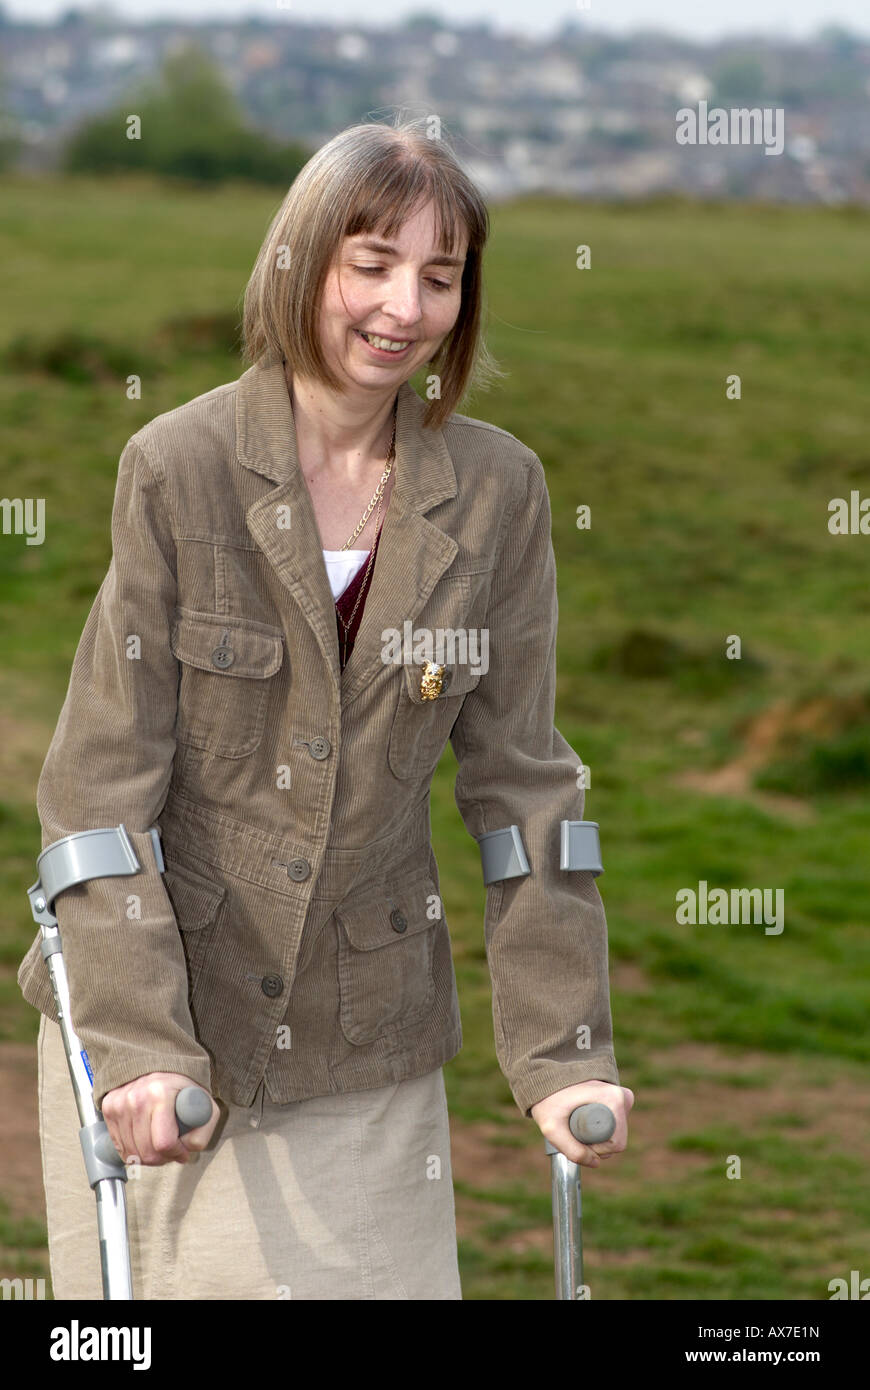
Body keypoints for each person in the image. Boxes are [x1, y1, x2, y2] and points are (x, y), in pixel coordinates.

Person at [19, 115, 633, 1300]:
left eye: (440, 277)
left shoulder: (499, 490)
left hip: (365, 1037)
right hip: (164, 1025)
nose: (406, 308)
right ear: (300, 262)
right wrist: (140, 1044)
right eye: (373, 265)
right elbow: (98, 791)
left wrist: (565, 1052)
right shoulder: (179, 465)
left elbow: (525, 786)